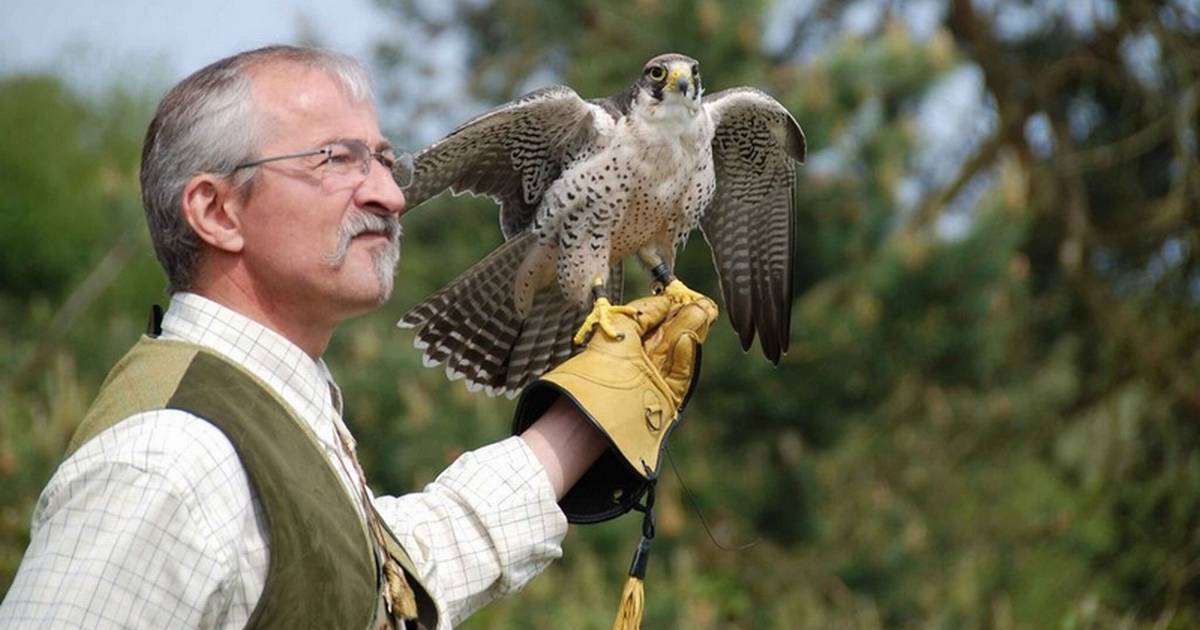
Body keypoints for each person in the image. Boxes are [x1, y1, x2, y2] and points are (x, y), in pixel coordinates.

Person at [0, 46, 714, 629]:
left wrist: (588, 418)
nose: (390, 194)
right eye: (337, 160)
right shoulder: (168, 461)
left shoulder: (264, 413)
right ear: (217, 212)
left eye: (382, 159)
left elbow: (386, 587)